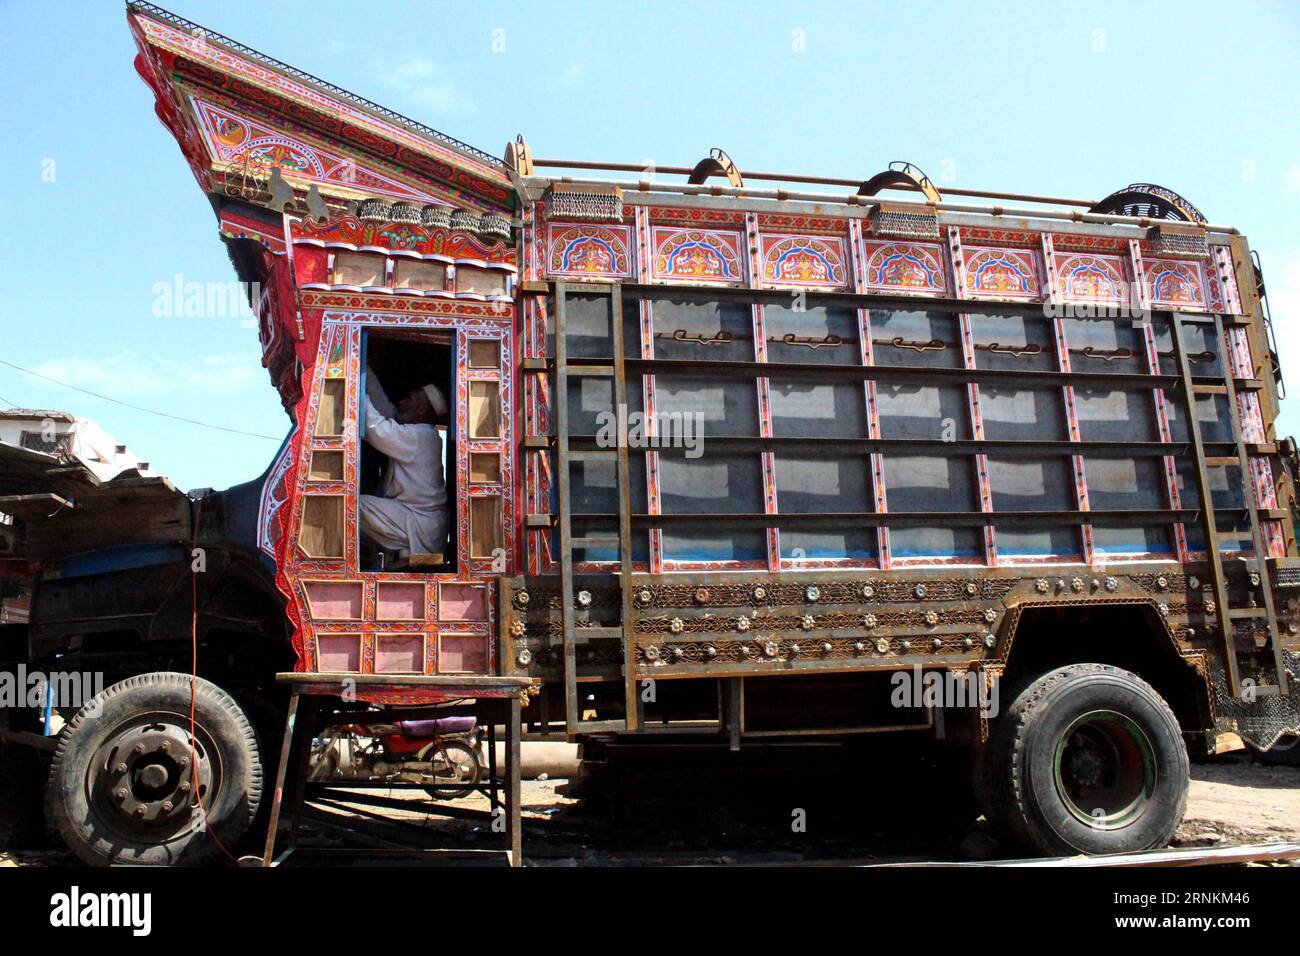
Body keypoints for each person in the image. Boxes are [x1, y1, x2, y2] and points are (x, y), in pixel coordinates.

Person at [359, 367, 449, 566]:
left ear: (422, 409)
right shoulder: (418, 434)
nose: (401, 402)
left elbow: (376, 429)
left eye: (409, 399)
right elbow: (386, 409)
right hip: (420, 522)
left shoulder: (420, 437)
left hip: (418, 523)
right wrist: (365, 372)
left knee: (353, 506)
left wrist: (357, 392)